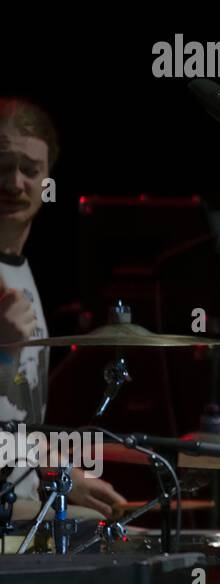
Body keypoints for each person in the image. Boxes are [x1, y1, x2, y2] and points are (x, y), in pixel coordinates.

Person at [0, 98, 126, 519]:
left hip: (24, 502)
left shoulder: (22, 273)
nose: (15, 183)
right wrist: (3, 351)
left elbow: (17, 421)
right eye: (2, 167)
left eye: (30, 170)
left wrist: (67, 473)